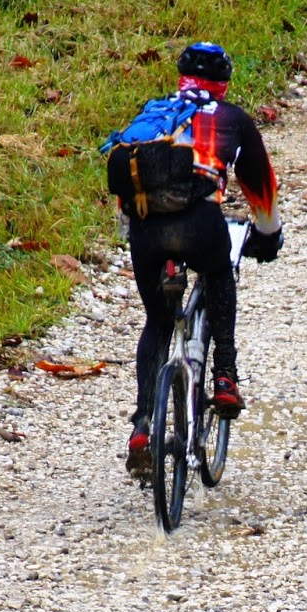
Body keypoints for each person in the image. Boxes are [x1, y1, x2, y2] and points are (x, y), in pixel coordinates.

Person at [115, 41, 283, 476]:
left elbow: (127, 181)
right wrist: (268, 236)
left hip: (147, 229)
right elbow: (260, 187)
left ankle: (142, 427)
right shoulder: (232, 119)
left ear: (180, 78)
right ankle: (224, 377)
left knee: (157, 321)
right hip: (200, 223)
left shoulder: (152, 116)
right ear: (224, 83)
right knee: (219, 274)